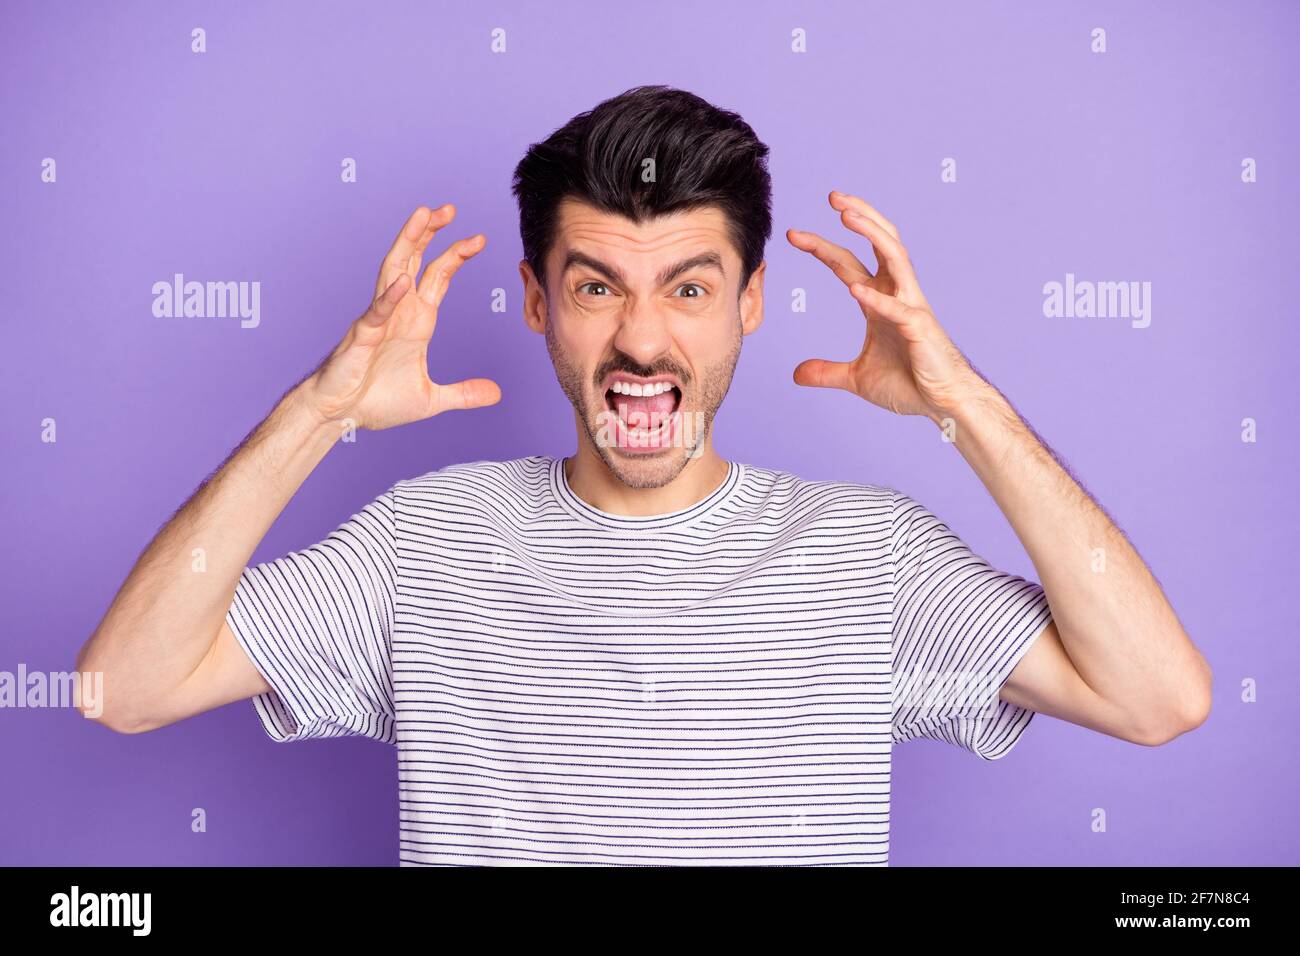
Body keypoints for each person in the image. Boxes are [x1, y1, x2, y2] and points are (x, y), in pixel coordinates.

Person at [76, 85, 1212, 866]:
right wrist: (319, 409)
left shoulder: (871, 554)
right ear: (534, 302)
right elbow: (120, 687)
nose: (641, 342)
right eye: (595, 287)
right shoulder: (421, 542)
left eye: (687, 286)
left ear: (750, 305)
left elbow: (1157, 696)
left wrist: (965, 404)